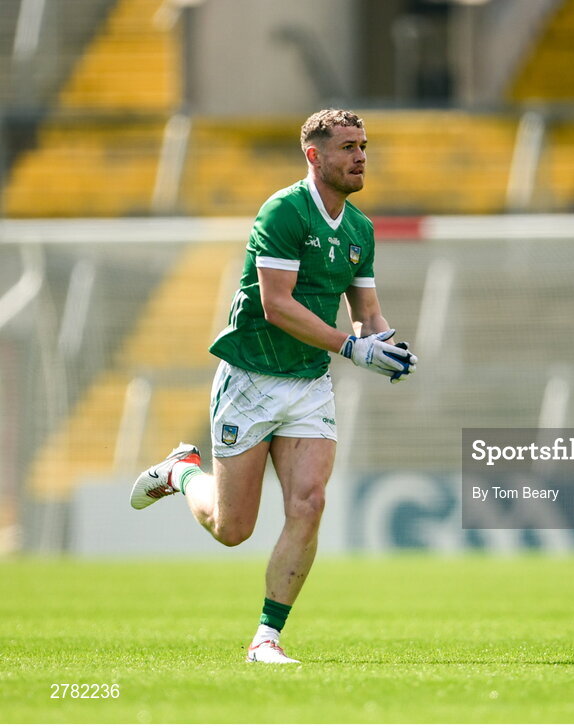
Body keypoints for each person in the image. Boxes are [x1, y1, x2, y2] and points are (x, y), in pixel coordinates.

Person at [129, 109, 417, 663]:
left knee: (309, 503)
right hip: (251, 378)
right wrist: (355, 348)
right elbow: (277, 305)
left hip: (309, 382)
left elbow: (367, 312)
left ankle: (267, 638)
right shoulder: (284, 210)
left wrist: (386, 346)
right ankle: (181, 472)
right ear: (315, 155)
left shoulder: (360, 229)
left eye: (365, 145)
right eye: (349, 147)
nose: (361, 156)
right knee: (232, 528)